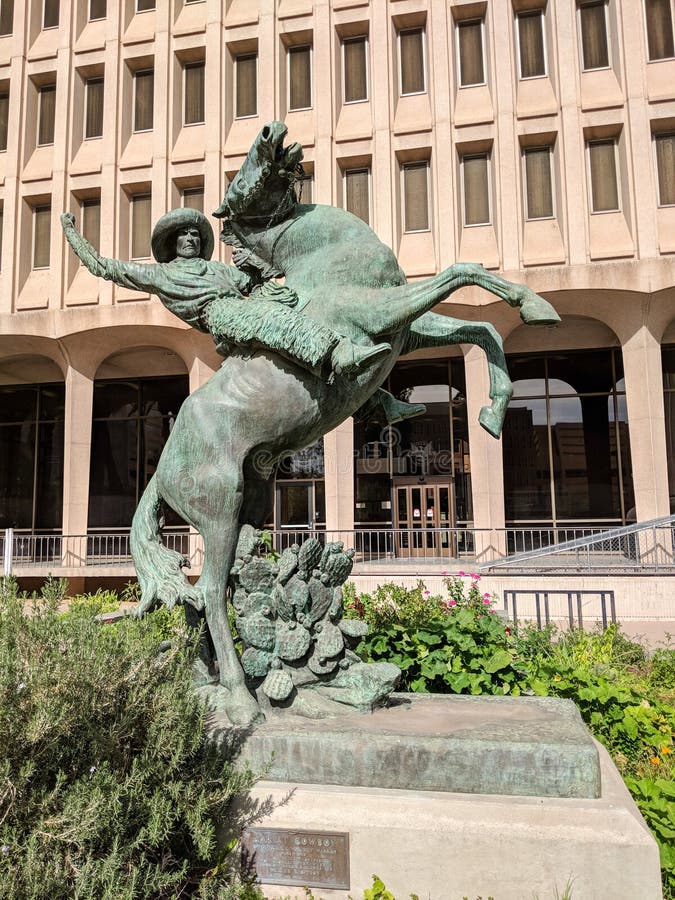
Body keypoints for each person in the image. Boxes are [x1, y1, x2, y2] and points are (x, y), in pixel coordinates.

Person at [60, 208, 390, 381]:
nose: (189, 238)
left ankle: (377, 401)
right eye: (183, 235)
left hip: (244, 302)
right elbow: (104, 267)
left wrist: (257, 266)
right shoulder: (161, 275)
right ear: (173, 242)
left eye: (194, 234)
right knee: (267, 319)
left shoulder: (217, 269)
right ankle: (338, 355)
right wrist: (72, 232)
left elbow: (251, 282)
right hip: (219, 314)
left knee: (295, 301)